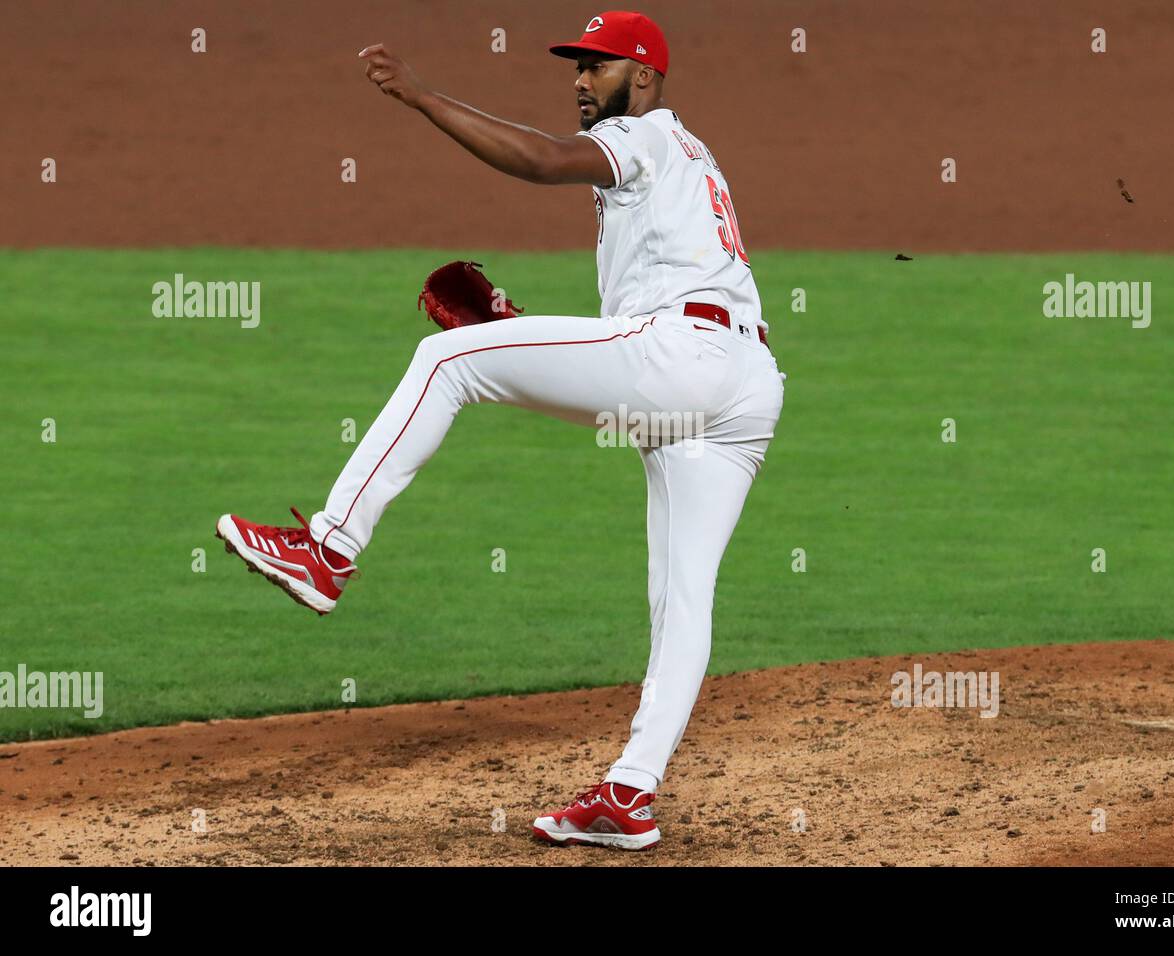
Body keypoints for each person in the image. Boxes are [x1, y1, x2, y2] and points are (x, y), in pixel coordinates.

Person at [216, 10, 784, 851]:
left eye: (599, 65)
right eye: (577, 65)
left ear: (648, 78)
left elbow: (543, 160)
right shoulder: (685, 162)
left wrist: (422, 97)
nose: (581, 79)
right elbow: (638, 310)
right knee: (682, 594)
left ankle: (328, 550)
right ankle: (629, 794)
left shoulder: (648, 136)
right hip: (742, 384)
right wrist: (521, 332)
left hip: (684, 357)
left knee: (447, 361)